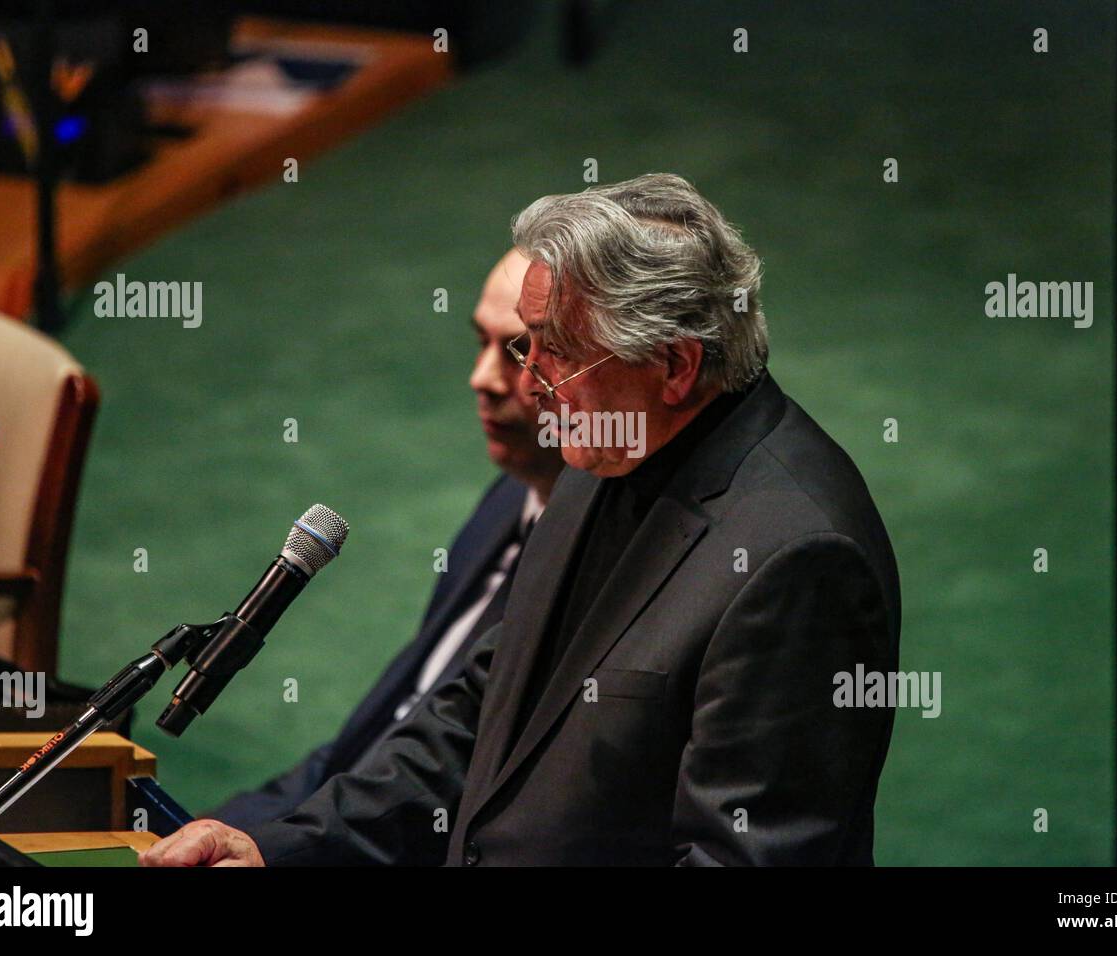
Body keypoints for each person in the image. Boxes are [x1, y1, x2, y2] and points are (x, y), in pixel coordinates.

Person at [142, 173, 902, 866]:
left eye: (559, 353)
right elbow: (478, 718)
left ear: (674, 366)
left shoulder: (798, 562)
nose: (531, 383)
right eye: (523, 344)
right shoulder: (600, 450)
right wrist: (280, 852)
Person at [207, 248, 564, 830]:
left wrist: (274, 848)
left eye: (518, 351)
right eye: (481, 343)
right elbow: (378, 735)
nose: (482, 380)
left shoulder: (595, 562)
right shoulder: (508, 497)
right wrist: (235, 825)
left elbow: (446, 779)